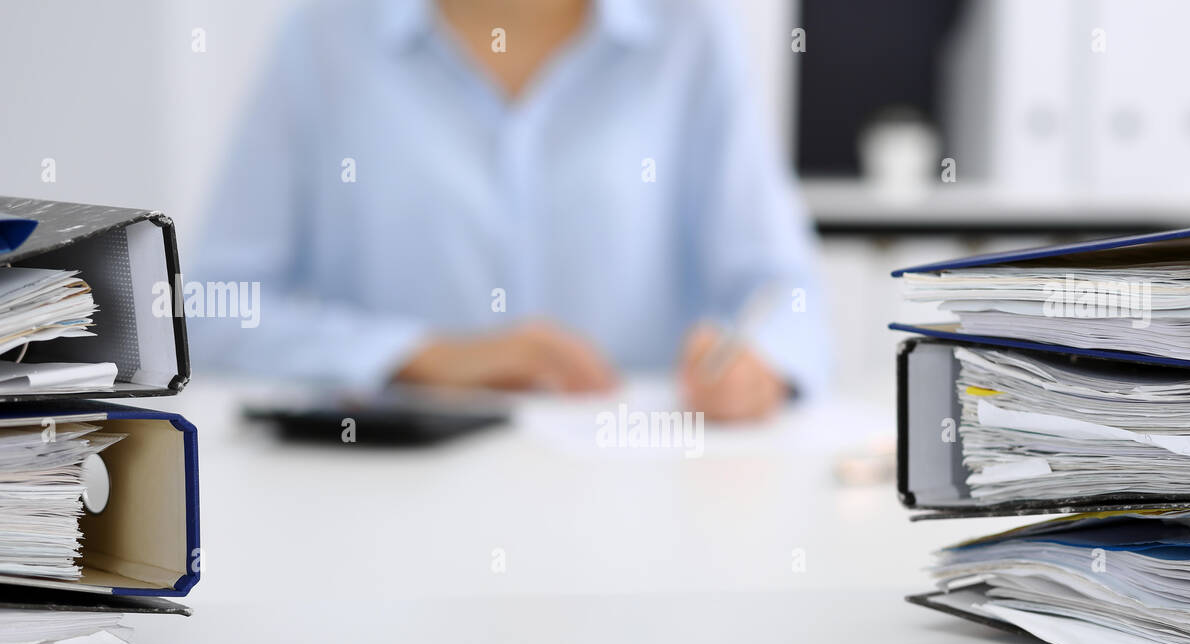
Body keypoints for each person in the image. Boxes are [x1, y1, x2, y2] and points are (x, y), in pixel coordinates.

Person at [194, 0, 829, 421]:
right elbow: (207, 308)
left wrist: (758, 364)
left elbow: (784, 293)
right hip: (383, 516)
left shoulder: (689, 31)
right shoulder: (325, 35)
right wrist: (416, 358)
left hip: (638, 507)